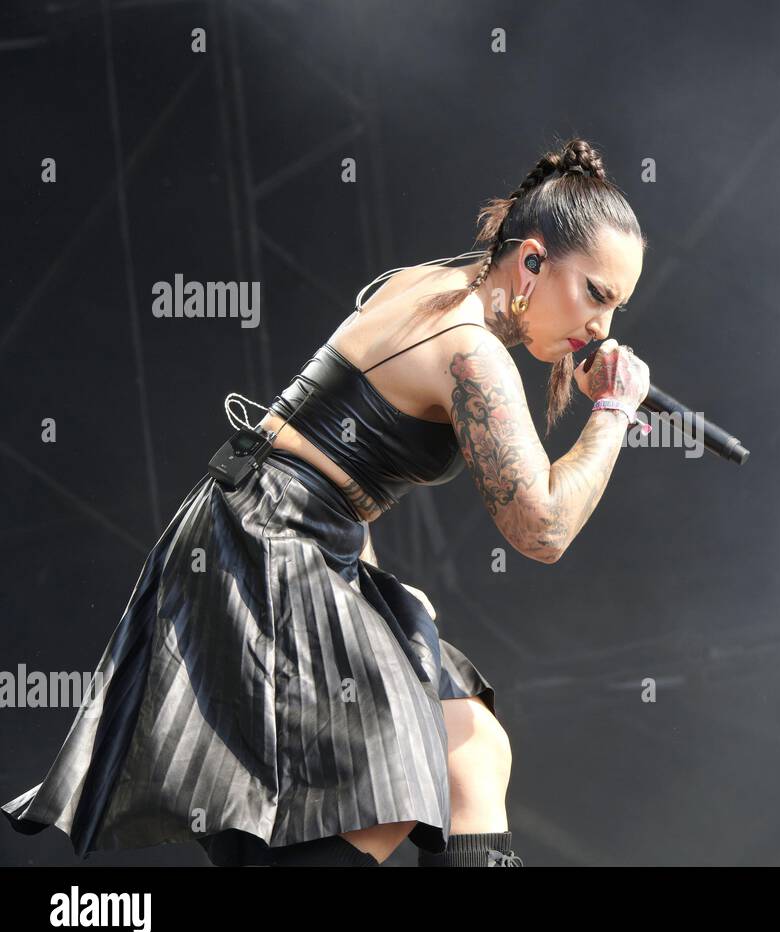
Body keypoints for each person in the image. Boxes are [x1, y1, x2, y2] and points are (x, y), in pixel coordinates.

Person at [1, 137, 649, 866]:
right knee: (382, 792)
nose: (602, 328)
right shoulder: (470, 347)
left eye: (617, 306)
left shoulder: (438, 281)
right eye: (596, 294)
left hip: (280, 530)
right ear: (530, 259)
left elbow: (331, 461)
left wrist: (373, 585)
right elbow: (543, 529)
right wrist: (614, 411)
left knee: (471, 750)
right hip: (265, 542)